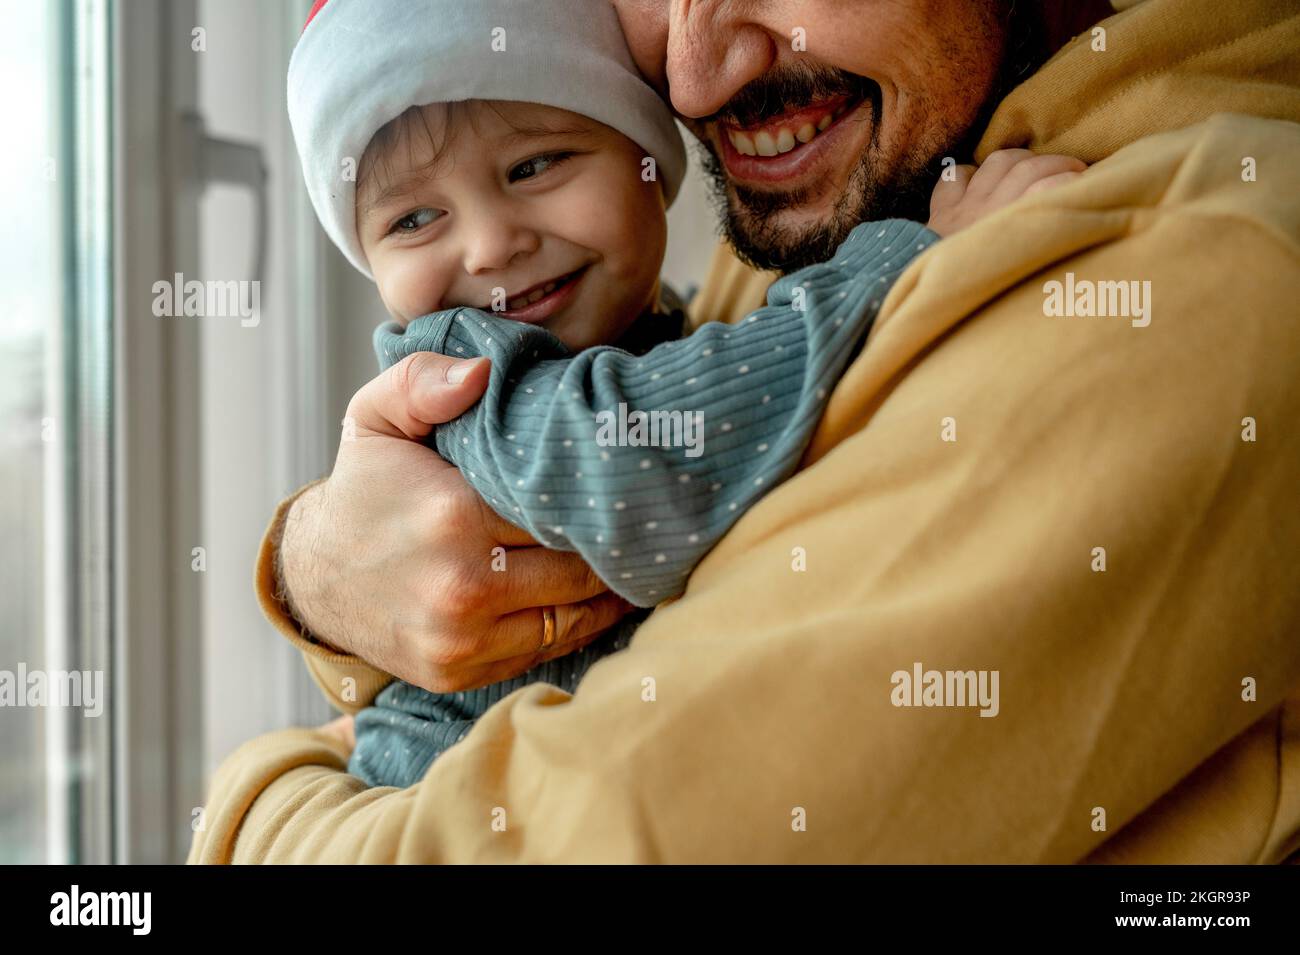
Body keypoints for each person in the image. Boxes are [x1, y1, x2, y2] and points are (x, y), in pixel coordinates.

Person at [190, 0, 1300, 863]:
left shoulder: (1181, 278)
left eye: (533, 167)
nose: (687, 75)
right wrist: (315, 571)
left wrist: (252, 810)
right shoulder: (849, 197)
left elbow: (605, 837)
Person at [294, 0, 1079, 788]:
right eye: (414, 219)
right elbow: (630, 464)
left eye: (534, 166)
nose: (492, 243)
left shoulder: (672, 323)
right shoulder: (463, 368)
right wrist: (911, 260)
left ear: (644, 157)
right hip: (437, 802)